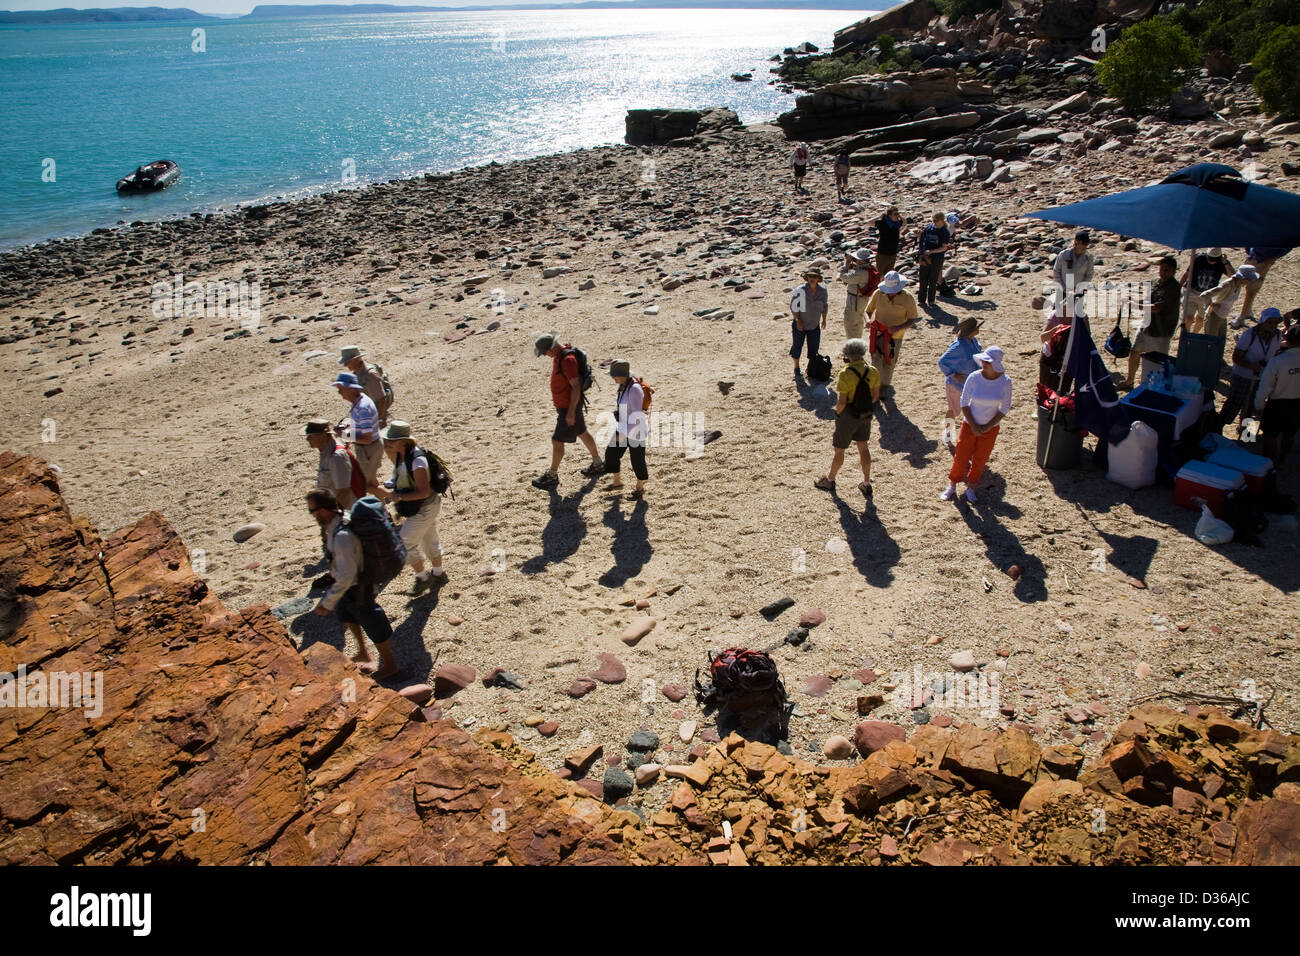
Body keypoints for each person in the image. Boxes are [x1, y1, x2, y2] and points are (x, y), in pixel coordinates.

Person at [308, 489, 399, 680]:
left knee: (373, 622)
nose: (313, 515)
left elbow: (347, 574)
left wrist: (327, 602)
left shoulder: (342, 534)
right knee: (347, 615)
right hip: (348, 584)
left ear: (325, 509)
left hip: (358, 585)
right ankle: (363, 652)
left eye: (313, 511)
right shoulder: (340, 521)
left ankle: (390, 664)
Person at [376, 421, 447, 591]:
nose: (388, 443)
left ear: (403, 441)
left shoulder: (417, 462)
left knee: (403, 543)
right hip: (425, 507)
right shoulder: (403, 455)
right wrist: (391, 484)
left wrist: (398, 496)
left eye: (391, 440)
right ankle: (438, 574)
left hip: (424, 508)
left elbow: (422, 492)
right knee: (430, 539)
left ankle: (423, 578)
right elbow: (401, 476)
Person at [531, 332, 606, 489]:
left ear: (551, 348)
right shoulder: (560, 356)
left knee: (557, 440)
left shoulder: (567, 360)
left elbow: (576, 386)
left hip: (568, 407)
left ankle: (552, 475)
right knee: (582, 432)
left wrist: (571, 412)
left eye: (545, 352)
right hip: (568, 406)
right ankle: (598, 464)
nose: (545, 356)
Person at [942, 345, 1012, 504]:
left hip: (991, 428)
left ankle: (971, 487)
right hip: (969, 425)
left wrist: (988, 426)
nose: (983, 363)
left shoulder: (1005, 382)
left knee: (980, 459)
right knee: (961, 456)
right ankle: (952, 485)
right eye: (983, 360)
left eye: (987, 361)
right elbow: (964, 402)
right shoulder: (974, 377)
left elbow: (1005, 407)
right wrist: (973, 425)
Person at [814, 338, 880, 501]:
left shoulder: (846, 373)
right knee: (863, 448)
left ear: (847, 355)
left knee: (840, 450)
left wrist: (838, 414)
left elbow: (841, 402)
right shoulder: (873, 371)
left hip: (849, 416)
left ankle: (829, 480)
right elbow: (875, 396)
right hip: (865, 414)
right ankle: (866, 483)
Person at [1220, 308, 1283, 432]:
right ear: (1263, 322)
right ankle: (1218, 427)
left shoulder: (1278, 335)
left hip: (1262, 376)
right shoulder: (1249, 335)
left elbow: (1275, 352)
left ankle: (1244, 431)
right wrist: (1252, 366)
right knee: (1234, 403)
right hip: (1242, 375)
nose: (1273, 326)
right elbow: (1236, 358)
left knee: (1252, 406)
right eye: (1270, 322)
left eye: (1275, 323)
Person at [1125, 255, 1182, 389]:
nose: (1163, 272)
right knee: (1134, 352)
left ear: (1174, 271)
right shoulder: (1156, 282)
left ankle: (1155, 388)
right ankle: (1129, 381)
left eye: (1166, 270)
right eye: (1161, 269)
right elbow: (1147, 301)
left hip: (1161, 330)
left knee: (1158, 362)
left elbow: (1157, 307)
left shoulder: (1173, 288)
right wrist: (1131, 301)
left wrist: (1135, 305)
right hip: (1147, 325)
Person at [864, 270, 919, 396]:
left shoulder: (908, 298)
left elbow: (912, 319)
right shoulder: (878, 294)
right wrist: (868, 321)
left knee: (889, 363)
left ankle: (884, 388)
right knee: (875, 361)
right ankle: (874, 390)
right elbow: (867, 311)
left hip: (895, 337)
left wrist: (898, 327)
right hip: (877, 334)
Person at [1254, 323, 1300, 464]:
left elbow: (1265, 386)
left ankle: (1268, 463)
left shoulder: (1278, 361)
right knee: (1289, 434)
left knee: (1270, 435)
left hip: (1278, 403)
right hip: (1297, 403)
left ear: (1288, 340)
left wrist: (1259, 404)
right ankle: (1282, 460)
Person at [333, 371, 384, 493]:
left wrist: (345, 435)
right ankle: (384, 508)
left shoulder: (362, 408)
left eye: (341, 389)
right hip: (370, 448)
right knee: (371, 480)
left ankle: (389, 497)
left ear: (351, 389)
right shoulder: (360, 401)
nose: (339, 393)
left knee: (364, 484)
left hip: (369, 449)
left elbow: (367, 439)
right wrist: (347, 427)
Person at [603, 360, 649, 497]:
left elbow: (638, 416)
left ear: (623, 375)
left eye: (614, 375)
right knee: (611, 455)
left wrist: (623, 434)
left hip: (636, 431)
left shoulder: (634, 389)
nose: (612, 378)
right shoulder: (623, 384)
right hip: (623, 426)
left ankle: (639, 488)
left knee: (637, 460)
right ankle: (617, 482)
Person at [937, 318, 983, 448]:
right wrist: (952, 374)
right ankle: (947, 434)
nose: (979, 329)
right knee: (953, 410)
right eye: (977, 327)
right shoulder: (959, 346)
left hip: (970, 383)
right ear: (971, 330)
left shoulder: (973, 341)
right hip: (956, 385)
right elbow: (942, 361)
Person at [303, 417, 359, 510]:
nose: (307, 439)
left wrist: (333, 512)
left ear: (324, 436)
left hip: (345, 510)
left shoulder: (336, 457)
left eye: (311, 436)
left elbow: (344, 491)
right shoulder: (326, 451)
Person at [1235, 247, 1292, 328]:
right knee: (1249, 287)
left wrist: (1271, 259)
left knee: (1251, 288)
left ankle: (1241, 318)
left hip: (1261, 260)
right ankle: (1247, 311)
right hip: (1254, 256)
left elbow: (1288, 245)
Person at [1197, 264, 1256, 339]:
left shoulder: (1238, 285)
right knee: (1211, 342)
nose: (1249, 282)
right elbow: (1204, 295)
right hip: (1214, 316)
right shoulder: (1227, 285)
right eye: (1249, 280)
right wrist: (1210, 304)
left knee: (1220, 342)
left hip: (1223, 317)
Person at [1180, 248, 1232, 329]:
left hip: (1207, 296)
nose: (1211, 261)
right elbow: (1187, 273)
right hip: (1191, 292)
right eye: (1210, 258)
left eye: (1214, 260)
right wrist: (1178, 287)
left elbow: (1232, 276)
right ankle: (1186, 336)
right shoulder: (1199, 258)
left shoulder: (1222, 263)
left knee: (1200, 320)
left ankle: (1194, 335)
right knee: (1188, 319)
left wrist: (1225, 263)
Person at [338, 346, 391, 426]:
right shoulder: (357, 374)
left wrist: (378, 421)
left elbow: (381, 400)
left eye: (347, 362)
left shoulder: (369, 376)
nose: (345, 365)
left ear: (356, 360)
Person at [790, 268, 829, 375]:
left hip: (814, 325)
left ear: (818, 279)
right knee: (797, 346)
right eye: (810, 276)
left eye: (815, 277)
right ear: (807, 278)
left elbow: (825, 306)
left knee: (814, 348)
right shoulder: (800, 290)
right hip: (800, 324)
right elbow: (793, 307)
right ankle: (796, 367)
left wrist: (824, 320)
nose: (812, 279)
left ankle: (810, 368)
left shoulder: (823, 291)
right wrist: (798, 320)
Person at [1051, 230, 1094, 319]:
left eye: (1086, 244)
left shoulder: (1088, 257)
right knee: (1058, 315)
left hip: (1078, 291)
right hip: (1063, 290)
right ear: (1076, 242)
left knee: (1077, 317)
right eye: (1083, 244)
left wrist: (1080, 287)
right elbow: (1056, 271)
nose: (1084, 247)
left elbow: (1089, 274)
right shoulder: (1064, 254)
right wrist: (1063, 287)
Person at [839, 249, 878, 340]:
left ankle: (854, 348)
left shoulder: (861, 273)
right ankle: (857, 344)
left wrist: (847, 263)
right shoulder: (870, 268)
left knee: (850, 323)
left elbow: (843, 277)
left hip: (854, 300)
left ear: (861, 260)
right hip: (861, 299)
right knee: (858, 323)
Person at [915, 212, 952, 307]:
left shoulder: (944, 232)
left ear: (941, 220)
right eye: (933, 220)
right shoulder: (929, 228)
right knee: (923, 278)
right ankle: (921, 299)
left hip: (937, 258)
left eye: (936, 221)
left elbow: (944, 247)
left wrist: (931, 251)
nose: (934, 222)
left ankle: (931, 299)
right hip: (925, 257)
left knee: (933, 279)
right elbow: (923, 239)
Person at [875, 205, 904, 275]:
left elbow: (905, 221)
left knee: (888, 275)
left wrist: (900, 216)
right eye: (895, 214)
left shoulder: (897, 224)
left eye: (898, 214)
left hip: (893, 254)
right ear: (890, 215)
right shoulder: (883, 223)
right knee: (879, 274)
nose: (897, 216)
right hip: (883, 254)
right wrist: (879, 216)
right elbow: (868, 223)